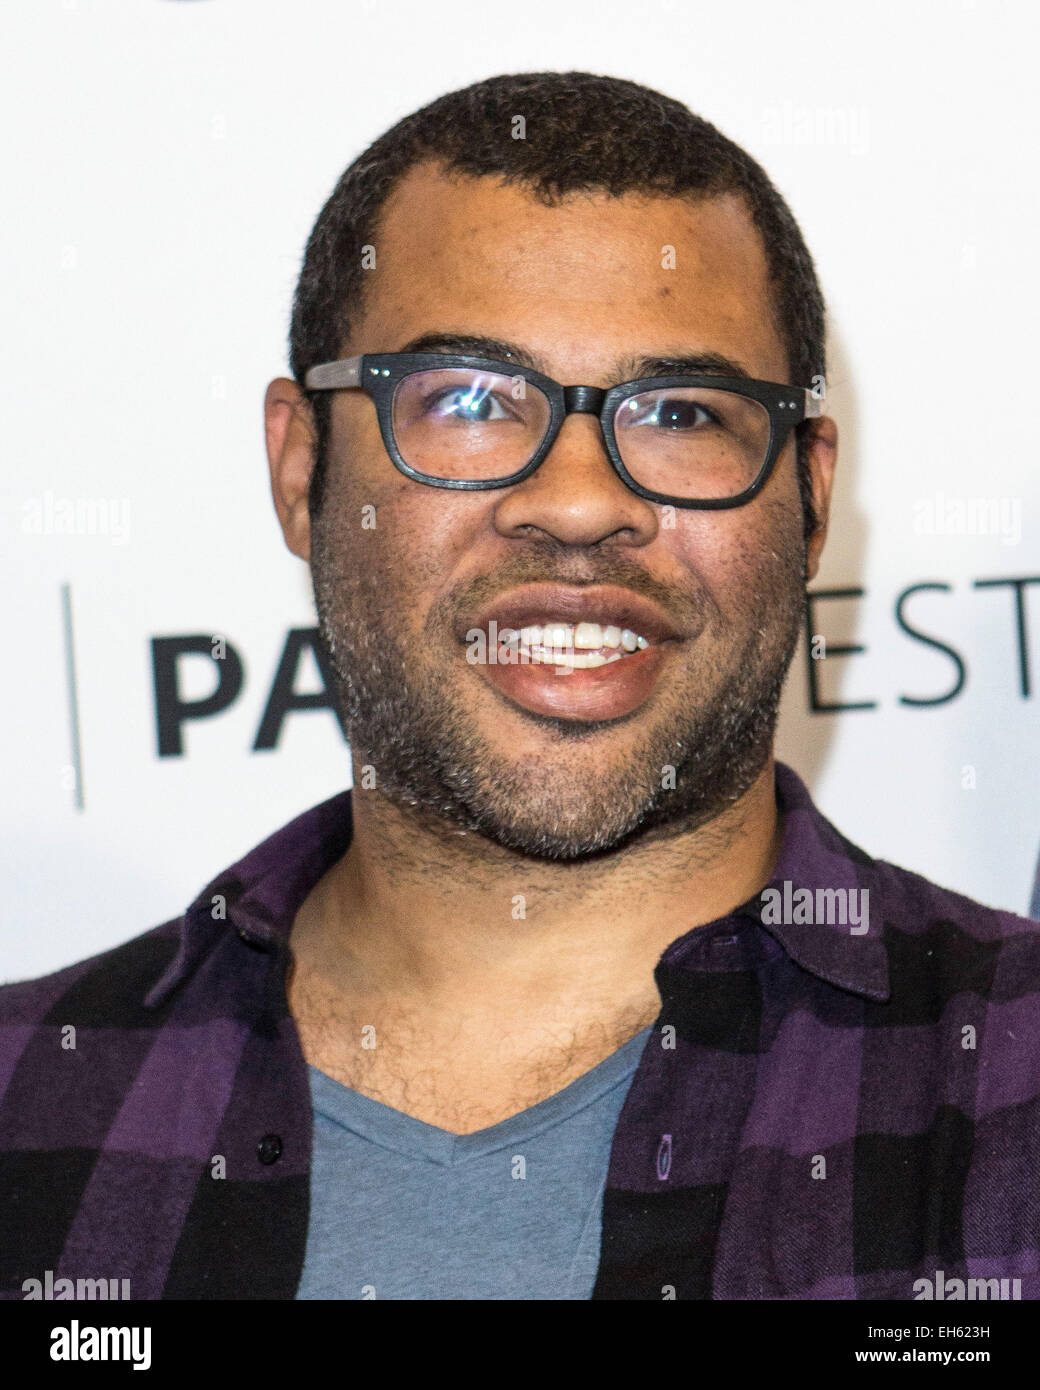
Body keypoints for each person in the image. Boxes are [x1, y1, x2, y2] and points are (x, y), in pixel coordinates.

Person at [2, 71, 1038, 1303]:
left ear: (809, 493)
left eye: (679, 412)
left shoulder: (1009, 1078)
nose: (580, 502)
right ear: (297, 468)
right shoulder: (27, 1095)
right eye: (470, 401)